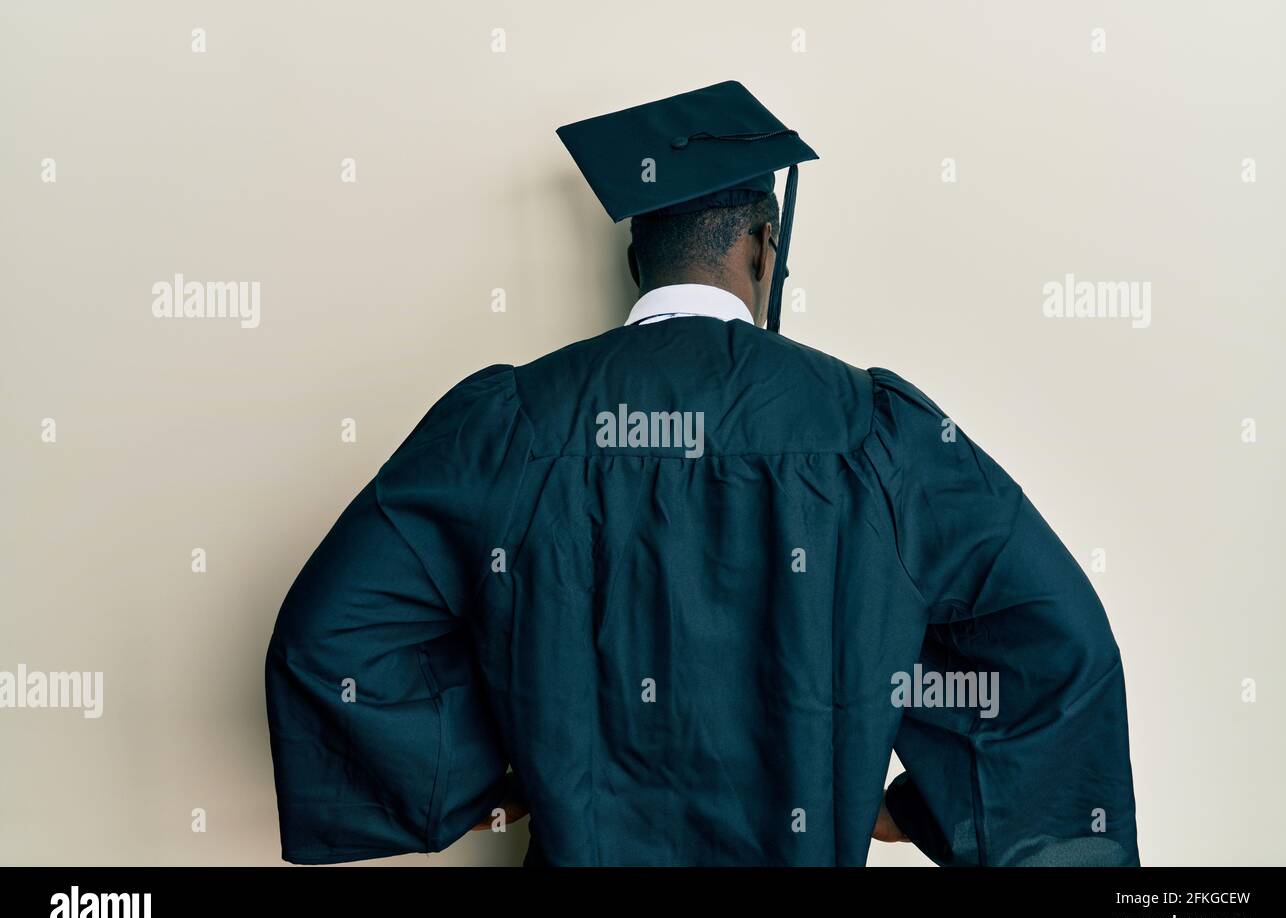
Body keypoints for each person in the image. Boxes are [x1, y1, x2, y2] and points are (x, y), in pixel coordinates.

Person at [265, 80, 1139, 866]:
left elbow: (331, 639)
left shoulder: (512, 425)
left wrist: (485, 783)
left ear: (634, 260)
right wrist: (924, 810)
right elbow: (1056, 647)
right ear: (765, 247)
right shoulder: (877, 435)